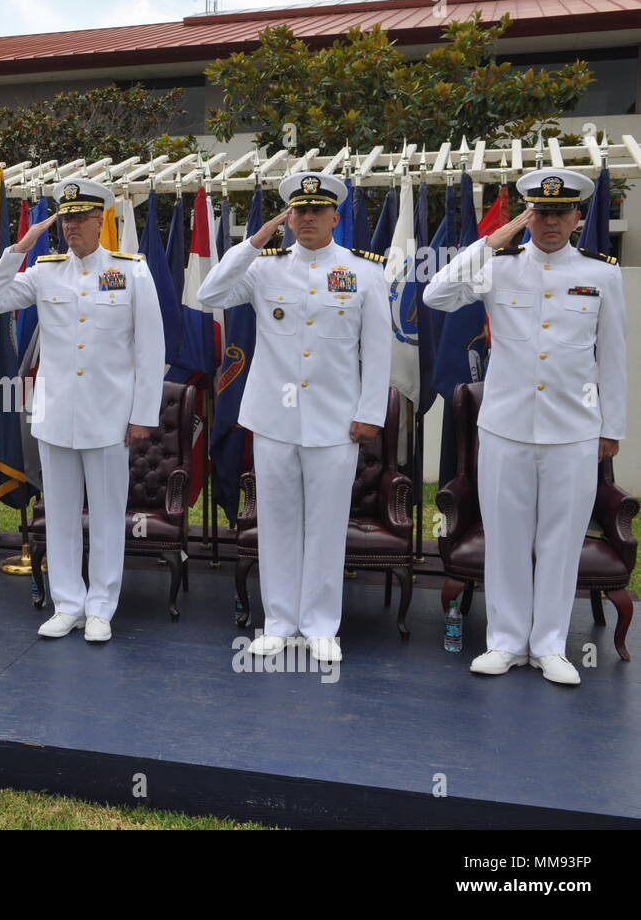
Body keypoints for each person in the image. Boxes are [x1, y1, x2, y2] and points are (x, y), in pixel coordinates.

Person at [424, 168, 627, 685]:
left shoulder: (602, 274)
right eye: (540, 212)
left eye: (561, 212)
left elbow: (615, 357)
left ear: (578, 217)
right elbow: (436, 295)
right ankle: (507, 641)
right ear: (527, 215)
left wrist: (612, 427)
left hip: (573, 429)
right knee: (507, 535)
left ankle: (551, 645)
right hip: (506, 426)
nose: (551, 222)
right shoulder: (498, 265)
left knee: (562, 540)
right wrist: (492, 240)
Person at [197, 172, 391, 663]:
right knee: (278, 522)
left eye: (316, 210)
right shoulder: (264, 268)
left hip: (335, 421)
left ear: (334, 216)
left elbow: (378, 349)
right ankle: (279, 622)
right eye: (298, 211)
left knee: (327, 525)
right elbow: (209, 295)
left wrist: (369, 412)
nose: (307, 218)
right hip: (273, 419)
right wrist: (254, 241)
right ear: (288, 217)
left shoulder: (364, 272)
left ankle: (323, 625)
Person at [0, 178, 164, 643]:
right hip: (56, 415)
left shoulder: (132, 270)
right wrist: (19, 248)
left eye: (82, 218)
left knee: (105, 515)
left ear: (102, 220)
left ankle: (101, 607)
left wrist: (142, 414)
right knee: (59, 515)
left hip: (109, 417)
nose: (73, 226)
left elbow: (150, 349)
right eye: (67, 219)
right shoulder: (44, 271)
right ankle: (67, 604)